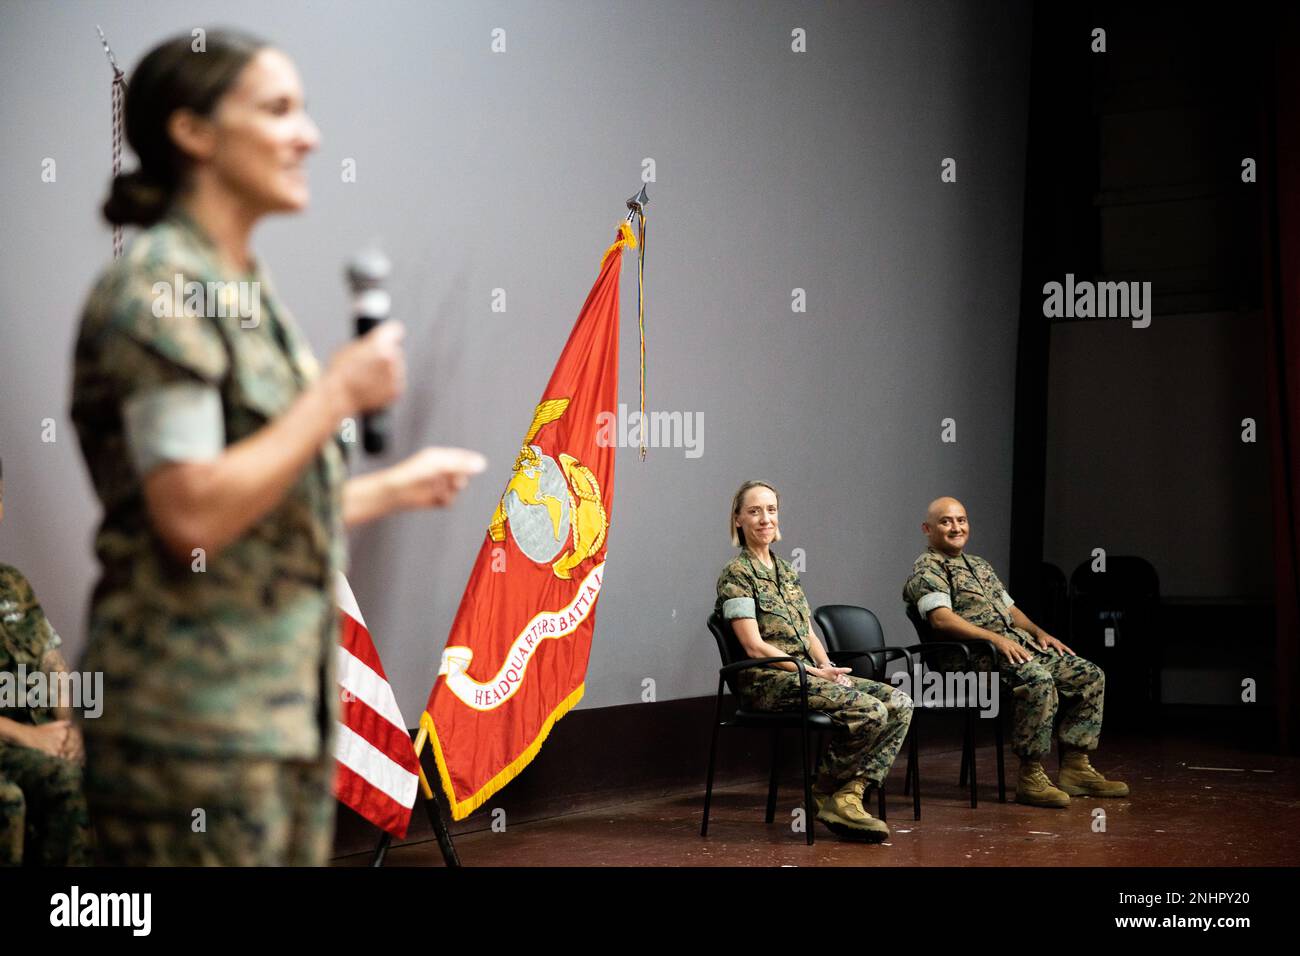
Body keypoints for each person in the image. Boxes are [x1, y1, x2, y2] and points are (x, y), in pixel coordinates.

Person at [70, 30, 486, 865]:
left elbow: (253, 503)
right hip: (193, 722)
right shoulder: (160, 289)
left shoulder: (239, 289)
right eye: (278, 109)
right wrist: (335, 393)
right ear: (193, 132)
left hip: (276, 709)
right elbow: (190, 513)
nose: (310, 135)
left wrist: (392, 489)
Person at [715, 480, 912, 842]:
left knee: (899, 702)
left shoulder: (786, 571)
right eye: (754, 511)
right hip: (767, 682)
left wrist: (829, 669)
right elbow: (754, 646)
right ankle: (826, 791)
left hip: (809, 674)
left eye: (771, 510)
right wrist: (809, 670)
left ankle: (845, 794)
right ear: (738, 519)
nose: (764, 519)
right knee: (870, 711)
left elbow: (807, 633)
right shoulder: (737, 574)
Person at [902, 496, 1129, 807]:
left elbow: (1011, 611)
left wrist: (1040, 633)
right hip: (967, 659)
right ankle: (1031, 776)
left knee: (1088, 675)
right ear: (927, 529)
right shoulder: (928, 568)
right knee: (1036, 679)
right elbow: (941, 620)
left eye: (961, 520)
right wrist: (995, 639)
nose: (956, 527)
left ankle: (1076, 768)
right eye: (946, 521)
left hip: (1009, 649)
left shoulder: (979, 565)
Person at [0, 456, 94, 865]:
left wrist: (69, 729)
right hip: (12, 742)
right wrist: (30, 738)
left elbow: (52, 665)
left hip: (35, 741)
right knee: (38, 792)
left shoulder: (13, 584)